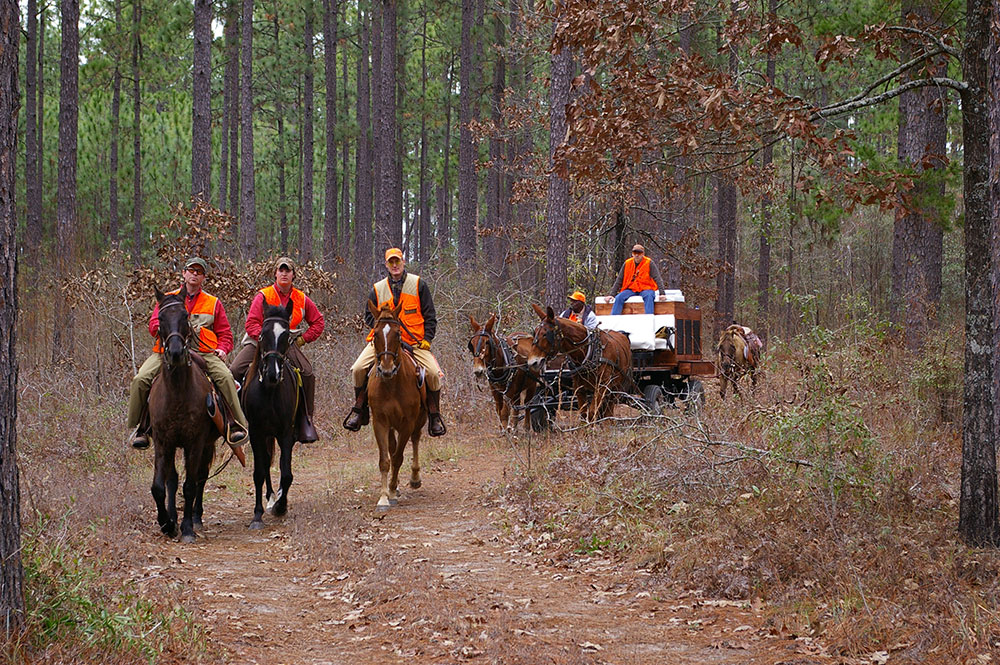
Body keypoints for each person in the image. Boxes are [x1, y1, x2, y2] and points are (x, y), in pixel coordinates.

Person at [127, 257, 248, 451]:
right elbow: (153, 325)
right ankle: (140, 429)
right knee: (140, 379)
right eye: (191, 270)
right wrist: (167, 328)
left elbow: (225, 334)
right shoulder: (167, 297)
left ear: (204, 278)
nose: (194, 274)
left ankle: (235, 425)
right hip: (167, 351)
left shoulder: (213, 302)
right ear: (183, 273)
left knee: (225, 377)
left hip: (204, 352)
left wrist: (223, 349)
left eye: (199, 272)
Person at [343, 247, 447, 437]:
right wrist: (383, 323)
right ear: (386, 265)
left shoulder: (418, 285)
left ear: (403, 262)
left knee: (432, 374)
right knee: (358, 369)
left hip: (415, 342)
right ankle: (360, 410)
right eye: (391, 262)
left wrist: (427, 340)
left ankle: (434, 416)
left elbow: (430, 316)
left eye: (397, 261)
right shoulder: (377, 288)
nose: (394, 265)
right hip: (385, 343)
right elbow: (368, 316)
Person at [230, 257, 325, 443]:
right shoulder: (263, 295)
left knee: (307, 373)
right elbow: (251, 323)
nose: (284, 273)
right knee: (234, 370)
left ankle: (305, 420)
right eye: (280, 270)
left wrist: (302, 340)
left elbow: (318, 322)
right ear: (275, 273)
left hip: (286, 343)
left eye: (287, 270)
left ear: (293, 275)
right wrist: (265, 338)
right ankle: (236, 419)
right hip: (259, 342)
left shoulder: (301, 298)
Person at [610, 244, 663, 315]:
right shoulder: (627, 263)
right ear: (632, 254)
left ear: (643, 254)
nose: (637, 255)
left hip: (645, 288)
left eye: (639, 253)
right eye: (635, 253)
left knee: (649, 296)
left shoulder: (649, 263)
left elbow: (657, 278)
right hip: (631, 289)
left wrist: (662, 293)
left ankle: (649, 320)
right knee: (619, 297)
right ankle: (613, 321)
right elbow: (619, 279)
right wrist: (612, 294)